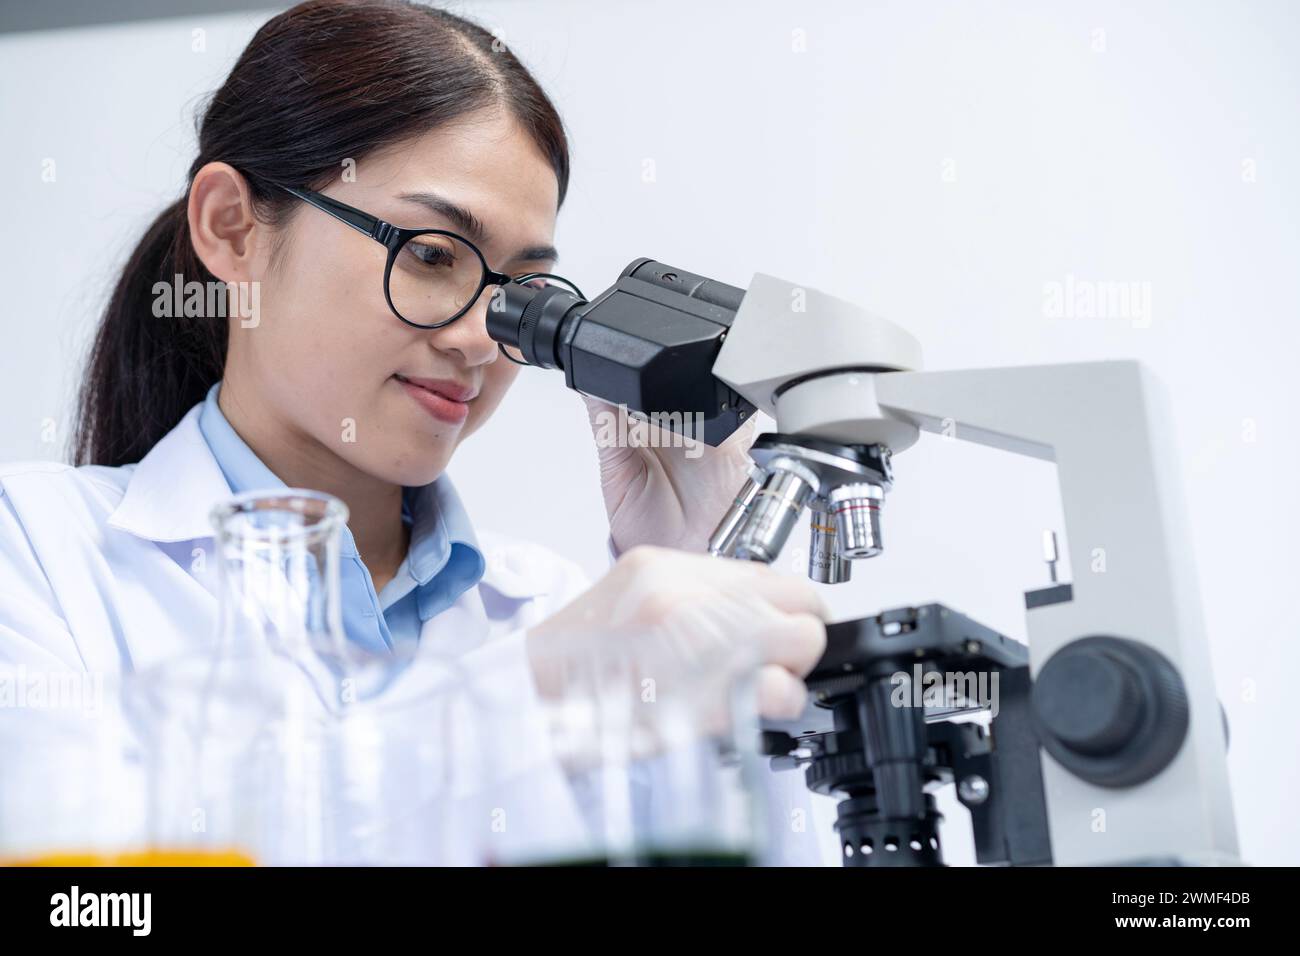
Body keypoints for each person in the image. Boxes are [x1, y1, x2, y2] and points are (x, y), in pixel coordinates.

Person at [0, 0, 826, 823]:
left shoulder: (546, 609)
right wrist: (518, 710)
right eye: (431, 255)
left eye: (520, 295)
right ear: (232, 229)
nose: (478, 338)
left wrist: (716, 583)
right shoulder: (35, 557)